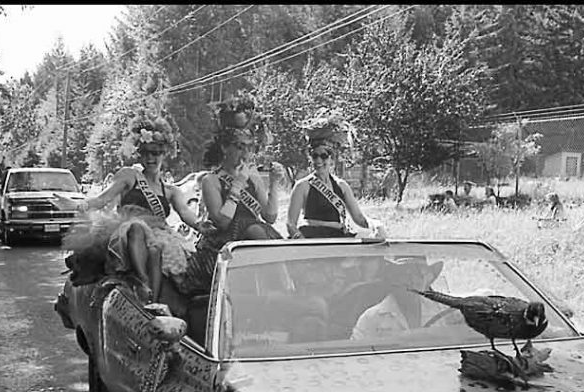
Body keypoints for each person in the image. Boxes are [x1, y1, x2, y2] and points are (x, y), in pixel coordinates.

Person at [54, 113, 212, 303]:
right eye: (145, 153)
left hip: (159, 236)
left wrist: (202, 226)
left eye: (155, 153)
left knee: (157, 250)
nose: (150, 158)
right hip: (127, 235)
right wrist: (78, 205)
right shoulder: (129, 176)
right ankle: (141, 280)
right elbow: (103, 199)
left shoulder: (170, 191)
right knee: (136, 227)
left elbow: (186, 214)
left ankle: (153, 301)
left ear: (164, 154)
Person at [178, 93, 283, 296]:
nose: (244, 153)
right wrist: (238, 184)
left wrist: (275, 185)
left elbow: (269, 216)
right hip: (225, 242)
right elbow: (222, 221)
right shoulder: (212, 180)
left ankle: (281, 292)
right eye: (239, 147)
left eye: (248, 148)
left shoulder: (252, 176)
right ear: (225, 147)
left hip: (254, 236)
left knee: (263, 234)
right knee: (256, 233)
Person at [286, 108, 370, 238]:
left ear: (332, 158)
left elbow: (358, 218)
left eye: (324, 156)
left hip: (338, 237)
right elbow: (291, 224)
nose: (319, 160)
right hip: (313, 238)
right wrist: (301, 241)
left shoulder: (342, 186)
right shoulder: (302, 186)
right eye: (315, 156)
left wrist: (375, 225)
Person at [350, 257, 445, 340]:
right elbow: (355, 354)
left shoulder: (443, 311)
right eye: (406, 275)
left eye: (419, 275)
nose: (412, 281)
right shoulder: (371, 318)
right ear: (394, 279)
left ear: (426, 280)